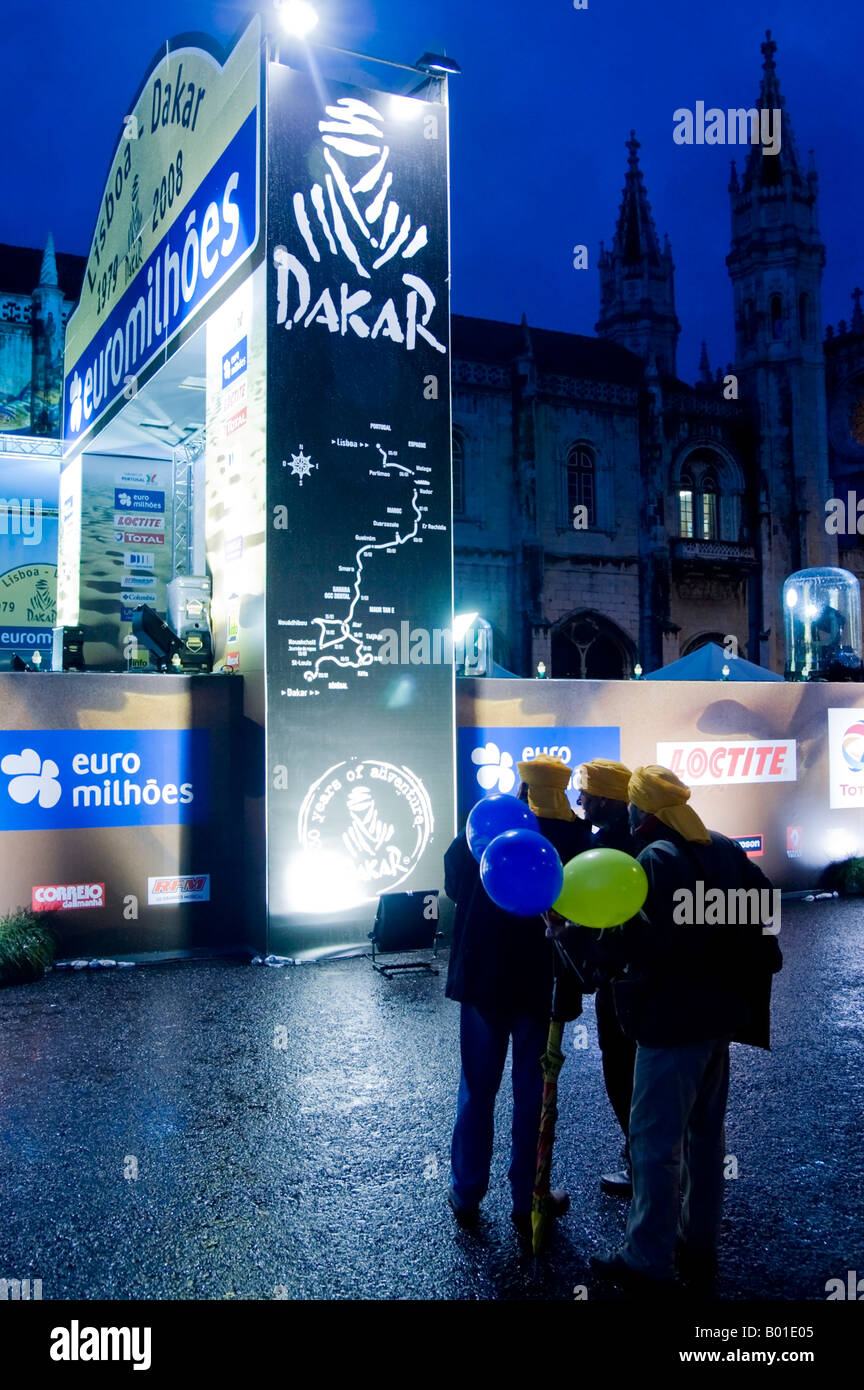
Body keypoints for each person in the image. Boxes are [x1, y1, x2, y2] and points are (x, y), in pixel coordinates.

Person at [586, 765, 783, 1293]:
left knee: (654, 1142)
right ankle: (698, 1242)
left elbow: (640, 942)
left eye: (632, 804)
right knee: (704, 1138)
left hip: (672, 1021)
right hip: (720, 1019)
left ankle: (647, 1259)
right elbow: (766, 908)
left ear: (644, 811)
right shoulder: (721, 846)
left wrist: (592, 950)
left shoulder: (655, 858)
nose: (628, 812)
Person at [445, 756, 590, 1243]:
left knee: (478, 1087)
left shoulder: (486, 820)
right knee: (533, 1093)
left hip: (485, 980)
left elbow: (452, 882)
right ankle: (528, 1196)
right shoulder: (572, 838)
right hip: (539, 987)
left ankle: (466, 1192)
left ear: (525, 787)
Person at [576, 759, 638, 1197]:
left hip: (621, 981)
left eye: (585, 793)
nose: (579, 801)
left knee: (622, 1072)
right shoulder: (647, 841)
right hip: (647, 981)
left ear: (603, 798)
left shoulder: (604, 850)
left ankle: (642, 1164)